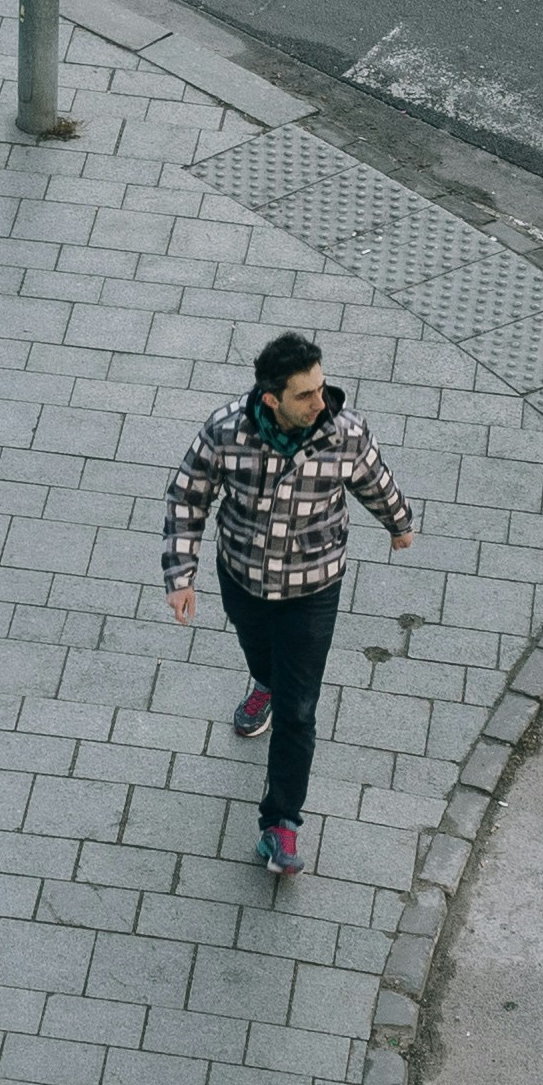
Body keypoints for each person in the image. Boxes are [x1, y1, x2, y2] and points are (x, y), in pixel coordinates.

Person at [159, 331, 414, 879]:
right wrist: (181, 576)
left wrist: (399, 522)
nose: (321, 402)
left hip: (312, 588)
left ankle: (281, 824)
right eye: (306, 395)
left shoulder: (342, 433)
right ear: (272, 398)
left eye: (322, 388)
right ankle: (264, 684)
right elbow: (188, 498)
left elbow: (373, 477)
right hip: (243, 578)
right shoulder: (226, 431)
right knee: (260, 657)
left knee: (299, 710)